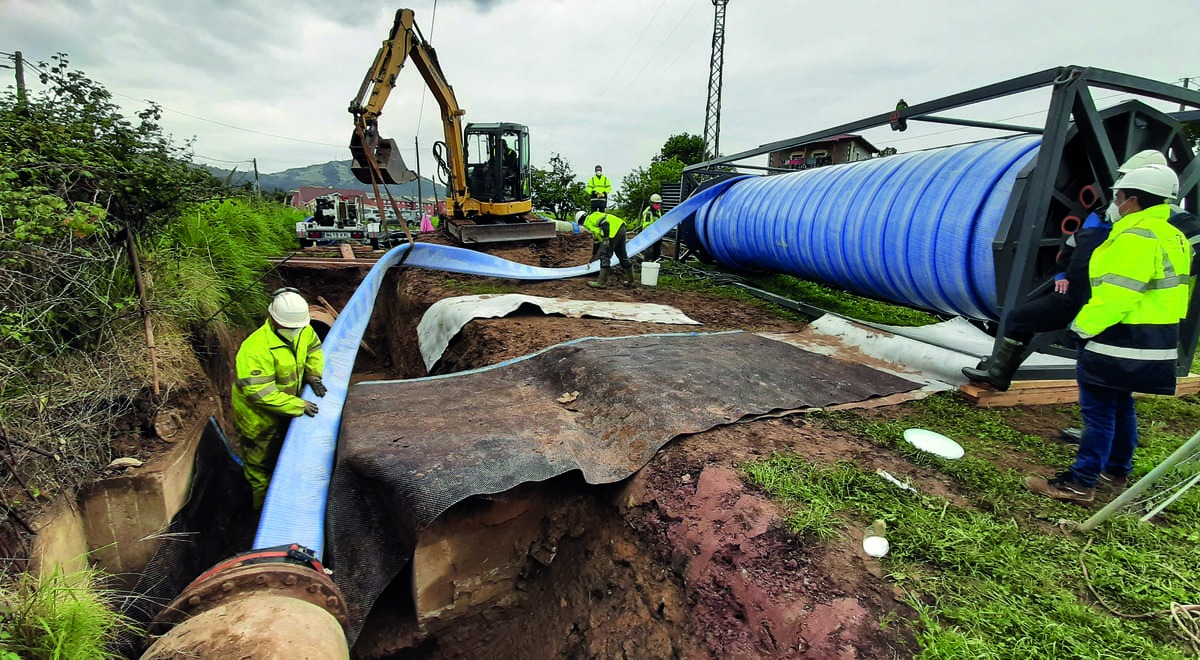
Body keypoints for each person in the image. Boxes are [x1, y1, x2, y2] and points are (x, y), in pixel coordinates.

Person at [1025, 164, 1191, 502]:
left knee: (1099, 412)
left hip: (1119, 338)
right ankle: (1116, 471)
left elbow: (1118, 295)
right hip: (1154, 339)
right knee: (1121, 405)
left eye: (1118, 196)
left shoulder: (1136, 237)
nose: (1114, 202)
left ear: (1132, 200)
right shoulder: (1172, 235)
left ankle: (1080, 482)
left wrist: (1080, 329)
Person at [962, 150, 1172, 391]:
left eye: (1124, 184)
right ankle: (999, 373)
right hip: (1073, 295)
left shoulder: (1152, 227)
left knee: (1102, 385)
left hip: (1105, 309)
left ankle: (1098, 416)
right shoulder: (1102, 214)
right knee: (1020, 318)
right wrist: (1061, 273)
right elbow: (1072, 245)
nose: (1118, 191)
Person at [232, 288, 326, 510]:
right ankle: (262, 516)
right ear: (273, 319)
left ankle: (288, 502)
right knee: (261, 471)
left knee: (287, 458)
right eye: (289, 327)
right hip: (260, 421)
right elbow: (259, 393)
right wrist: (298, 405)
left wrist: (313, 375)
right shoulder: (254, 349)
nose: (294, 331)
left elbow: (314, 349)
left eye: (297, 327)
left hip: (286, 410)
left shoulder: (303, 330)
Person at [577, 209, 634, 288]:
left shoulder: (591, 218)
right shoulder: (592, 225)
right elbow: (596, 242)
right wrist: (593, 255)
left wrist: (606, 239)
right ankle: (631, 281)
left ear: (580, 222)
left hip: (613, 232)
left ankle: (601, 283)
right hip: (621, 229)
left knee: (604, 255)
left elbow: (605, 223)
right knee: (622, 255)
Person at [635, 193, 665, 262]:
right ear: (652, 203)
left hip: (658, 235)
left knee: (657, 252)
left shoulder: (659, 211)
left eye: (659, 204)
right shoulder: (648, 213)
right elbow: (646, 226)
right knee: (648, 252)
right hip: (649, 235)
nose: (658, 205)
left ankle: (654, 264)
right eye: (656, 204)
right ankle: (646, 265)